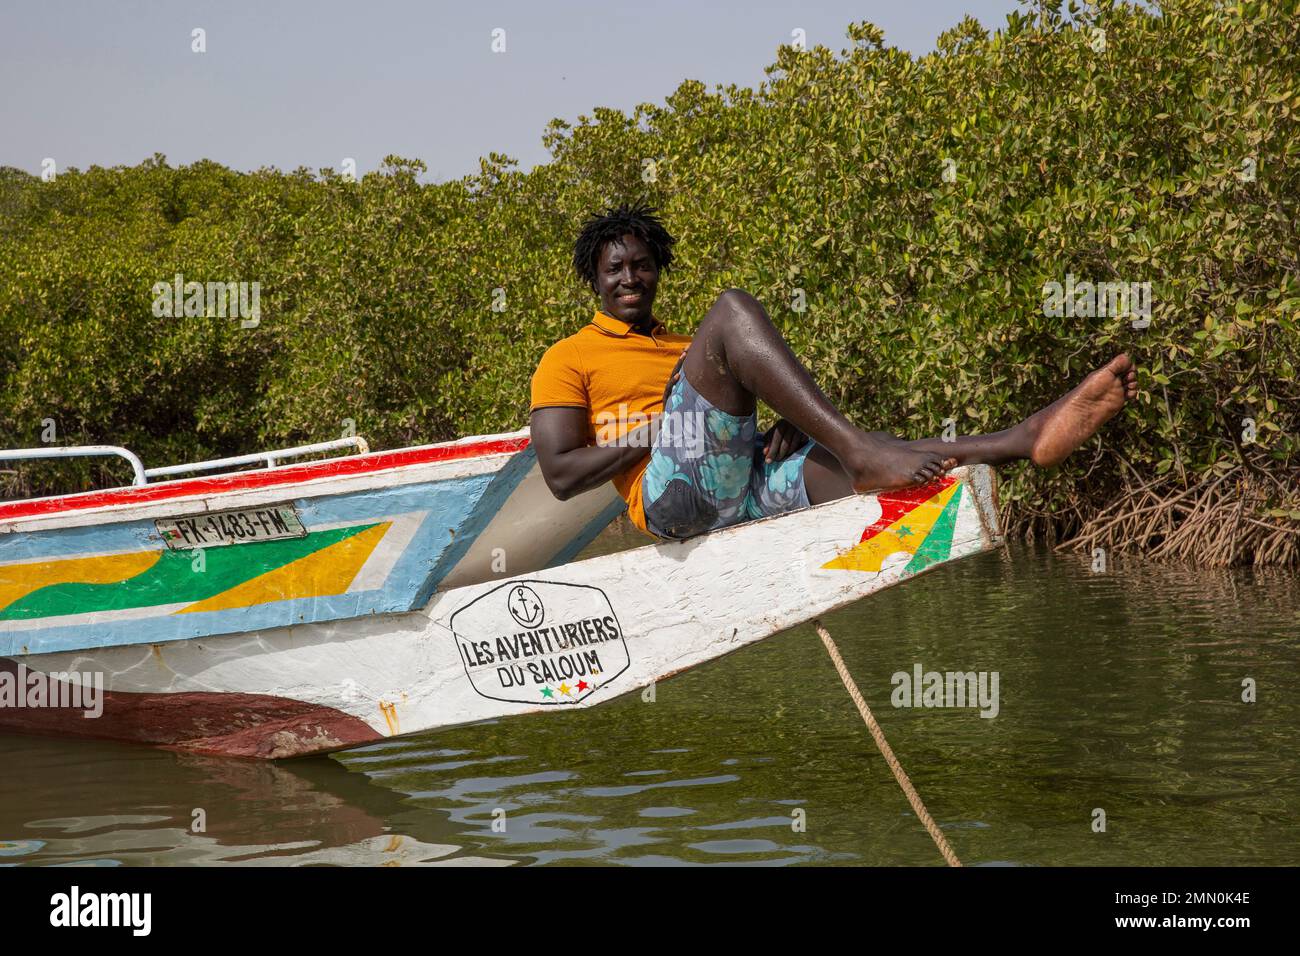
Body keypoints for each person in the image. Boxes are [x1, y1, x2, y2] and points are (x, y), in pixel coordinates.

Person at [529, 204, 1138, 541]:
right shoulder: (568, 357)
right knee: (734, 309)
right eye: (615, 269)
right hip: (670, 503)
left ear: (658, 272)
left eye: (641, 265)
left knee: (855, 455)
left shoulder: (685, 347)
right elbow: (559, 475)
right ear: (595, 280)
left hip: (742, 489)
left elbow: (714, 437)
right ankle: (860, 451)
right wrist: (657, 432)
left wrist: (762, 440)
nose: (629, 278)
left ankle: (1023, 441)